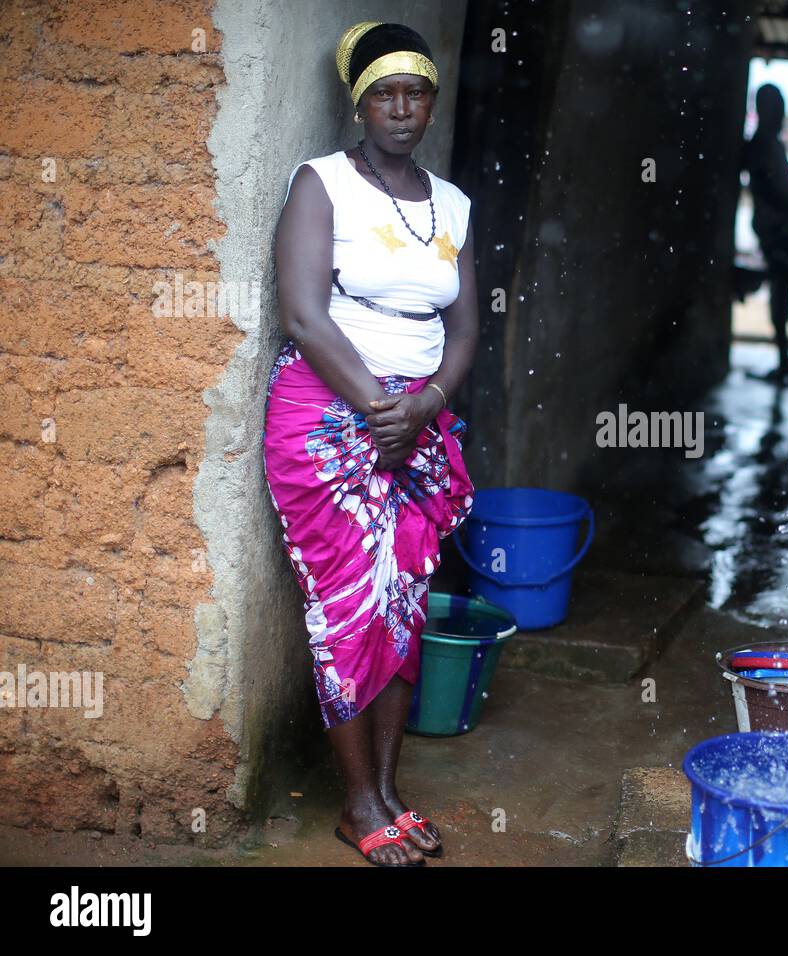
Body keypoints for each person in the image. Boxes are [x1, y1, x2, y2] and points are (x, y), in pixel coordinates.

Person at [263, 20, 477, 867]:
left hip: (414, 422)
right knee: (347, 603)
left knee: (401, 602)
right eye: (384, 93)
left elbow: (462, 329)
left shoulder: (454, 203)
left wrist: (422, 404)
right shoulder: (321, 184)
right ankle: (357, 804)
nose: (401, 108)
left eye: (415, 93)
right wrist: (378, 409)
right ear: (361, 103)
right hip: (325, 419)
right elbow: (304, 316)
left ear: (430, 104)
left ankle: (386, 789)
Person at [742, 84, 788, 380]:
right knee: (785, 280)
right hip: (775, 227)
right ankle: (783, 357)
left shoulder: (770, 143)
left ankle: (784, 357)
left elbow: (785, 184)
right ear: (764, 110)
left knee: (783, 284)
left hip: (778, 224)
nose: (781, 114)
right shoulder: (760, 145)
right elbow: (765, 185)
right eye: (777, 107)